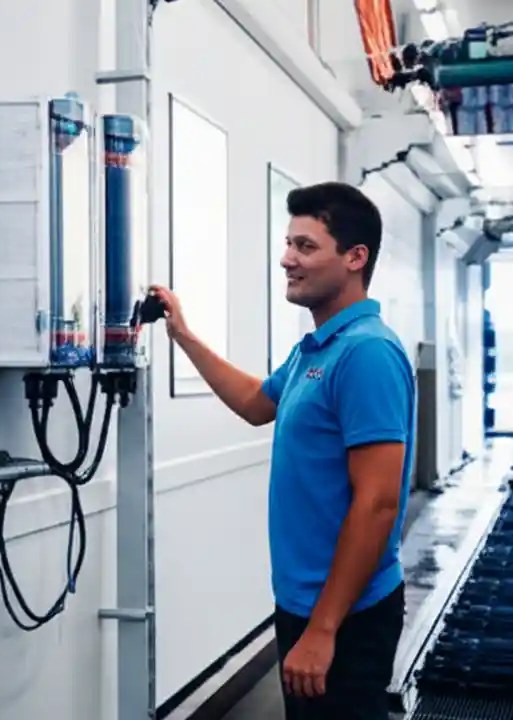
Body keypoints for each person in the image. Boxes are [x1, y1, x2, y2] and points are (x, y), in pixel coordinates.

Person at [150, 181, 415, 719]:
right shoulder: (316, 348)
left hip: (346, 613)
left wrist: (323, 629)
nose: (287, 259)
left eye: (306, 246)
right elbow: (255, 401)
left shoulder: (366, 354)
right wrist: (183, 334)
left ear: (355, 258)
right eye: (289, 243)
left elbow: (378, 503)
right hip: (305, 601)